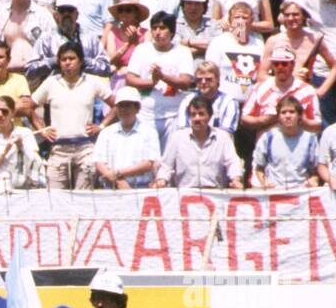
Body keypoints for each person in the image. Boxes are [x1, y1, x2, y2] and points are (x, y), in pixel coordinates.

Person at [31, 41, 111, 188]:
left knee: (84, 200)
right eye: (63, 59)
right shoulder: (51, 83)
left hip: (85, 149)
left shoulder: (92, 82)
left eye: (72, 58)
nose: (68, 63)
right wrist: (41, 129)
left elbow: (117, 105)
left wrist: (102, 126)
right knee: (55, 200)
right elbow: (29, 107)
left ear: (80, 61)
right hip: (58, 149)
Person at [125, 11, 195, 148]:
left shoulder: (182, 52)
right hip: (145, 115)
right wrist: (153, 82)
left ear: (172, 31)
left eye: (162, 28)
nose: (158, 32)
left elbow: (186, 82)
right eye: (155, 28)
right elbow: (130, 79)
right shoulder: (142, 50)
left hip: (174, 116)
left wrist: (163, 77)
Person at [153, 95, 244, 187]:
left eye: (201, 114)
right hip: (185, 194)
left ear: (209, 116)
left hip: (214, 194)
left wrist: (236, 179)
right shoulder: (177, 138)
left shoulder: (222, 137)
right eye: (193, 114)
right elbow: (166, 166)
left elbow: (232, 162)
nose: (197, 119)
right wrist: (161, 180)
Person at [242, 44, 322, 136]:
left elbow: (318, 125)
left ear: (292, 65)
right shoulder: (260, 88)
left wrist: (301, 120)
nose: (280, 67)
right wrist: (263, 120)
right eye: (276, 64)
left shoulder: (307, 91)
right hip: (267, 146)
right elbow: (244, 119)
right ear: (272, 66)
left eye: (284, 64)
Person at [93, 85, 160, 186]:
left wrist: (118, 174)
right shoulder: (106, 133)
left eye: (128, 105)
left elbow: (148, 163)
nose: (124, 109)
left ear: (137, 108)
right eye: (121, 105)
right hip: (112, 188)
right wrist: (118, 181)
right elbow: (99, 162)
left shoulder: (149, 132)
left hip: (141, 188)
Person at [250, 95, 320, 188]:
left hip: (301, 192)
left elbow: (317, 169)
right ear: (278, 117)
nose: (288, 116)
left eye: (292, 112)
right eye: (283, 112)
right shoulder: (268, 137)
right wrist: (264, 183)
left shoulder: (310, 139)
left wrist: (314, 179)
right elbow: (259, 167)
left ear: (299, 115)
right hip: (275, 192)